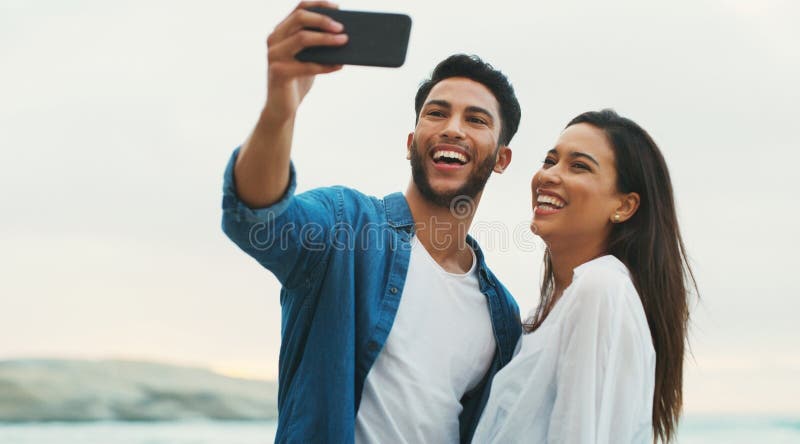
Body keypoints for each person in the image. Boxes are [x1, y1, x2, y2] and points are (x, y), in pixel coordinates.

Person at [220, 2, 522, 443]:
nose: (453, 128)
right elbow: (257, 217)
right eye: (436, 113)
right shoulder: (346, 226)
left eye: (475, 120)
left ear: (501, 159)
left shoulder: (502, 316)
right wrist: (280, 106)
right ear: (411, 142)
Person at [472, 109, 696, 443]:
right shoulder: (544, 316)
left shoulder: (601, 289)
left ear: (624, 206)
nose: (549, 175)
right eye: (550, 161)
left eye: (579, 166)